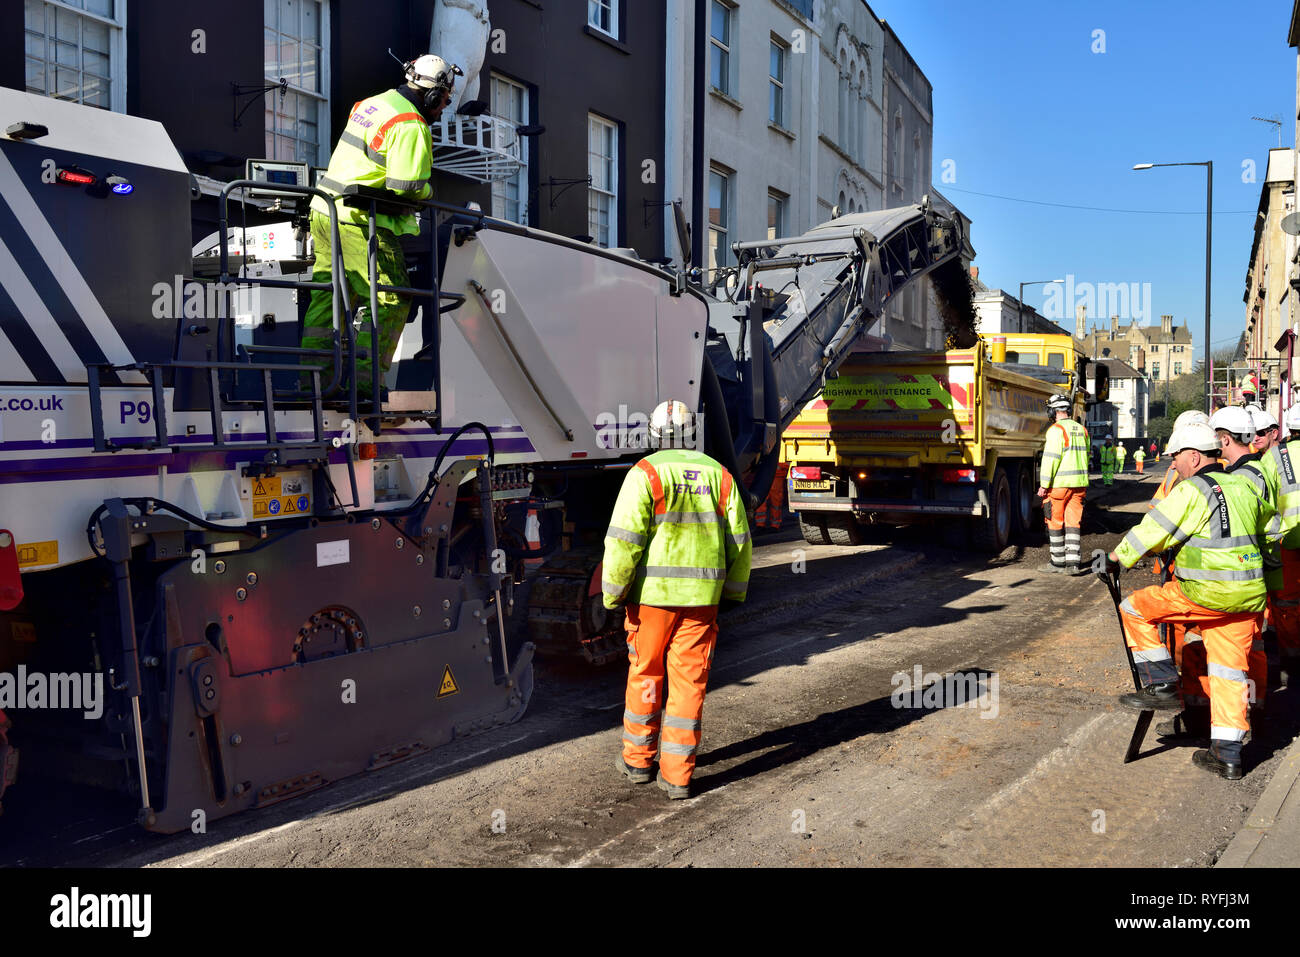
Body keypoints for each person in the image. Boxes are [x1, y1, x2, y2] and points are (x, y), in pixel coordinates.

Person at [1100, 421, 1283, 779]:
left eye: (1177, 458)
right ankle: (1228, 754)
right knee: (1229, 673)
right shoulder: (1245, 485)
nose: (1174, 465)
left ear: (1195, 457)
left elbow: (1152, 531)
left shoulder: (1191, 491)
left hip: (1205, 592)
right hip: (1246, 597)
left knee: (1134, 608)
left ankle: (1163, 681)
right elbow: (1270, 533)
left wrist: (1116, 558)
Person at [603, 399, 752, 799]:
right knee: (689, 683)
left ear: (654, 435)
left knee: (646, 675)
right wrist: (734, 593)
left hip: (652, 601)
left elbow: (623, 542)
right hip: (702, 602)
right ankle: (678, 777)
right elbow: (739, 542)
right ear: (694, 433)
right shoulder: (720, 476)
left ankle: (638, 762)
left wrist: (613, 594)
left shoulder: (645, 474)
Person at [301, 53, 462, 395]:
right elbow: (407, 186)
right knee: (391, 296)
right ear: (433, 95)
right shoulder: (410, 124)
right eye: (445, 100)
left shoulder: (373, 103)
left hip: (324, 209)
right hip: (359, 219)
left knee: (330, 297)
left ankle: (313, 382)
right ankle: (364, 386)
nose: (444, 107)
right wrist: (431, 189)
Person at [1037, 394, 1090, 575]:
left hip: (1059, 485)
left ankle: (1058, 562)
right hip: (1079, 485)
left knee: (1054, 521)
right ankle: (1074, 564)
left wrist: (1044, 484)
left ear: (1053, 410)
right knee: (1073, 523)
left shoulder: (1055, 430)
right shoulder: (1082, 430)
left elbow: (1050, 459)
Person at [755, 456, 789, 531]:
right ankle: (762, 525)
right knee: (764, 502)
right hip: (768, 475)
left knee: (775, 501)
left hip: (774, 476)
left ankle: (773, 525)